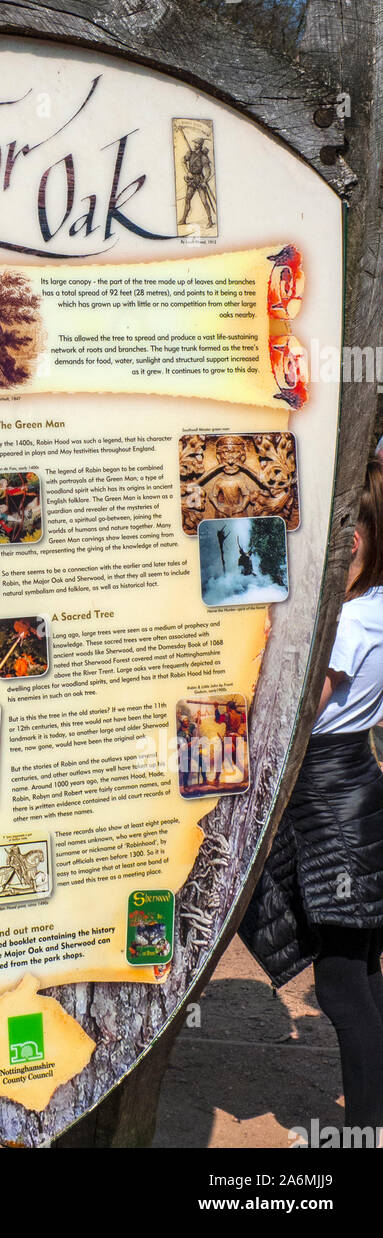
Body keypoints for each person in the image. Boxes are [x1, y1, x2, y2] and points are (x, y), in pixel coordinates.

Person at [240, 457, 383, 1140]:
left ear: (351, 542)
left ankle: (363, 1132)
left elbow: (295, 716)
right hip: (352, 787)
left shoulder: (350, 625)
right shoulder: (373, 604)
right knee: (366, 976)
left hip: (325, 803)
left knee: (339, 991)